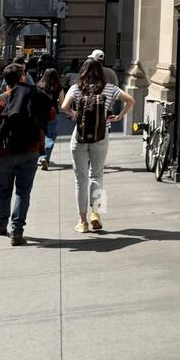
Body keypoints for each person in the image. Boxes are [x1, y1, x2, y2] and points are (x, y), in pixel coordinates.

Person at [0, 63, 55, 247]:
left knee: (3, 190)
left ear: (4, 80)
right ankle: (17, 230)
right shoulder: (33, 97)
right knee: (23, 192)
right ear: (22, 78)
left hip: (3, 153)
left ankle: (0, 223)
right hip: (29, 152)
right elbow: (52, 114)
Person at [62, 58, 132, 234]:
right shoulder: (109, 88)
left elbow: (64, 106)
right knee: (97, 175)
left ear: (83, 71)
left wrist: (74, 114)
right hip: (101, 135)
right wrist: (119, 116)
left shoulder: (76, 88)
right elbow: (131, 100)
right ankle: (96, 214)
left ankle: (82, 221)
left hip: (79, 137)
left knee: (80, 180)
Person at [37, 66, 65, 170]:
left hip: (40, 114)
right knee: (50, 136)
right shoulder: (58, 87)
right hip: (52, 113)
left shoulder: (39, 86)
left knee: (40, 135)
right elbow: (62, 103)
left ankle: (40, 156)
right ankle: (45, 157)